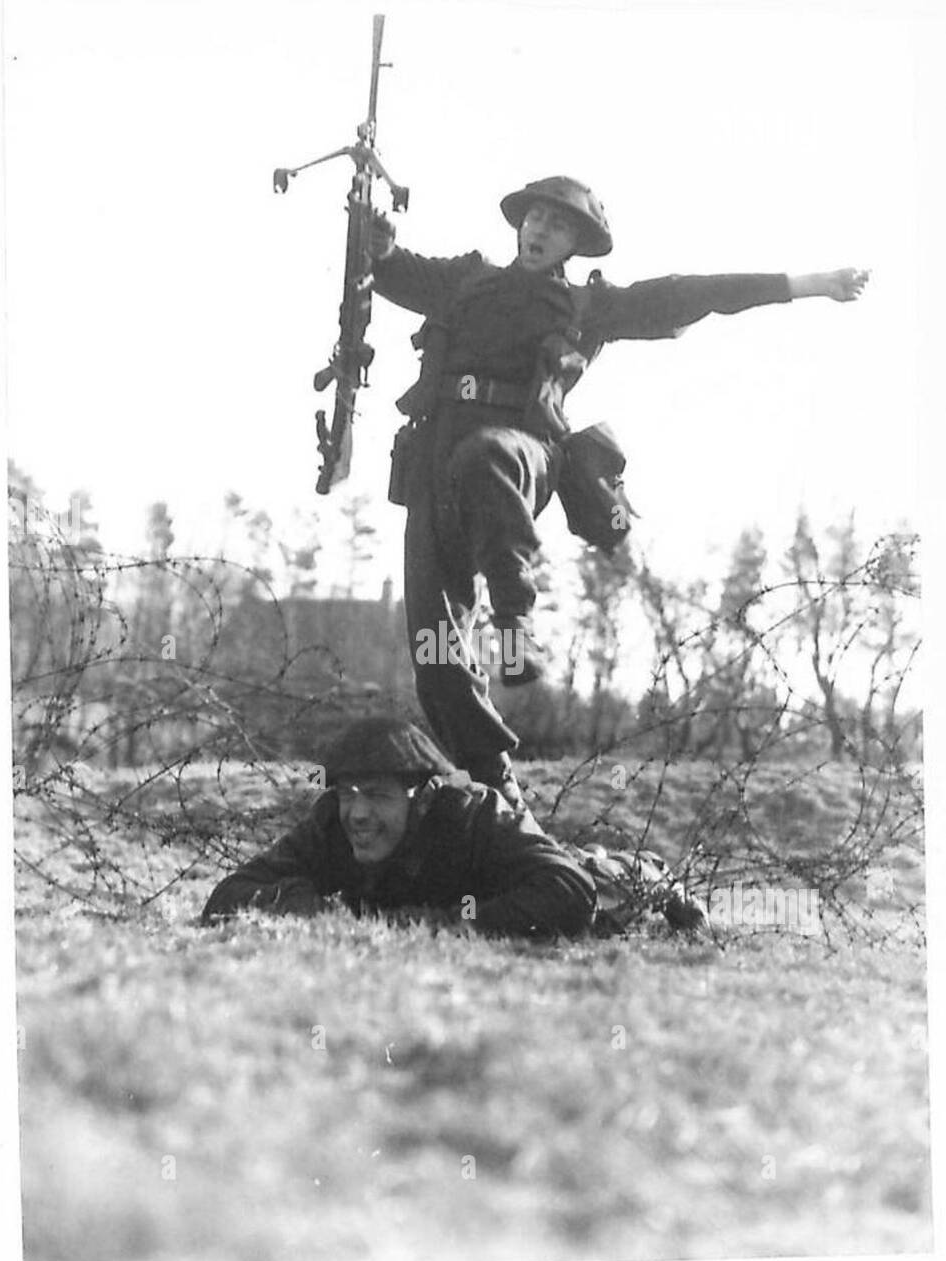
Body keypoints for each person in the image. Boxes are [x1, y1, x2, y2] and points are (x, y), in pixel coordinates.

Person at [369, 174, 870, 808]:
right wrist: (376, 240)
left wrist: (807, 285)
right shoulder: (466, 281)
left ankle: (515, 620)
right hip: (433, 477)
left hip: (523, 458)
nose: (540, 230)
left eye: (558, 224)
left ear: (577, 242)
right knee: (436, 652)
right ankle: (494, 785)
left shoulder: (588, 309)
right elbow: (390, 271)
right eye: (534, 219)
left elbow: (695, 295)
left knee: (487, 455)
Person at [200, 715, 597, 939]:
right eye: (348, 793)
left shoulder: (474, 817)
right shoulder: (328, 824)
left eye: (377, 795)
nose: (357, 813)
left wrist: (441, 925)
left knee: (613, 872)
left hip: (602, 880)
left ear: (422, 798)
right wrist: (301, 902)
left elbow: (572, 890)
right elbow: (227, 894)